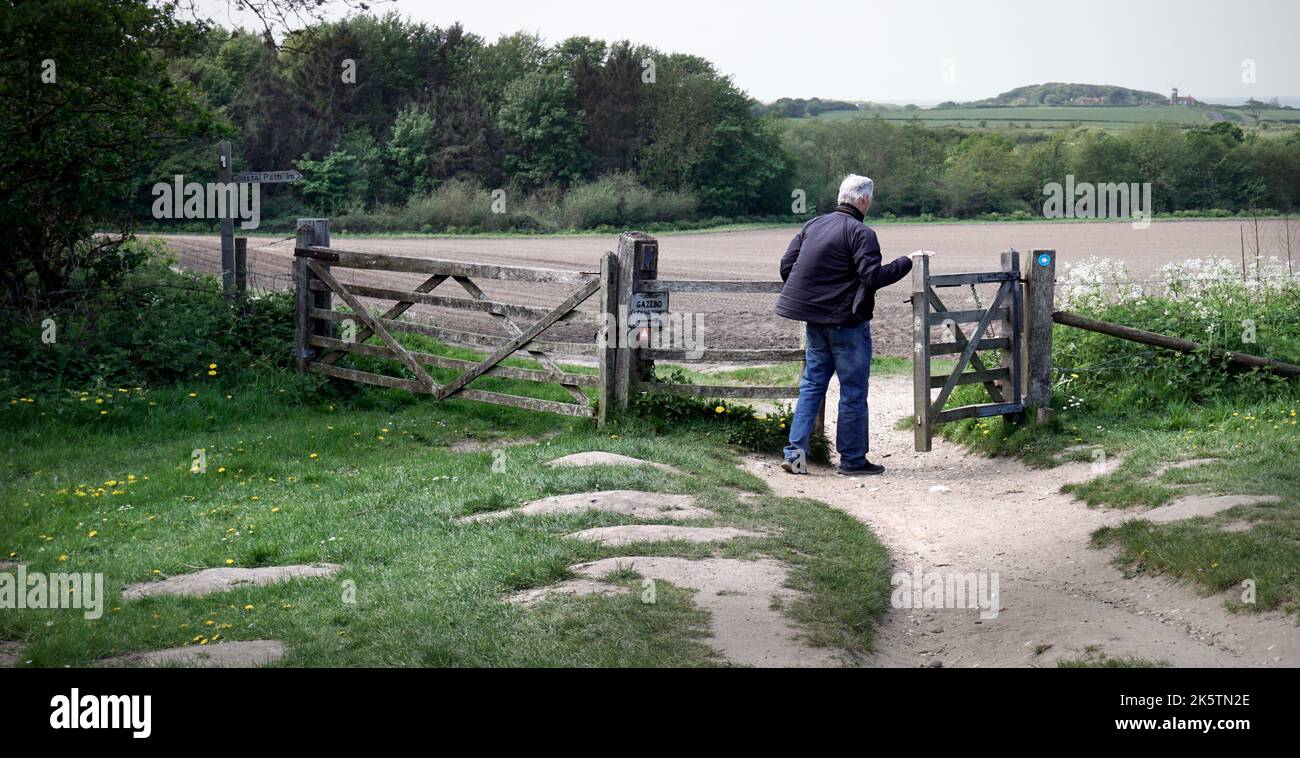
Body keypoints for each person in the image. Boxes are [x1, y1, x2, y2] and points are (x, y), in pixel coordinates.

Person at [774, 174, 923, 476]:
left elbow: (787, 267)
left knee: (812, 386)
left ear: (841, 196)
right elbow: (873, 277)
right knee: (853, 390)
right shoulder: (861, 233)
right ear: (864, 200)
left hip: (814, 321)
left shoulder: (813, 225)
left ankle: (796, 457)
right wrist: (907, 261)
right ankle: (853, 461)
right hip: (847, 324)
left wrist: (816, 294)